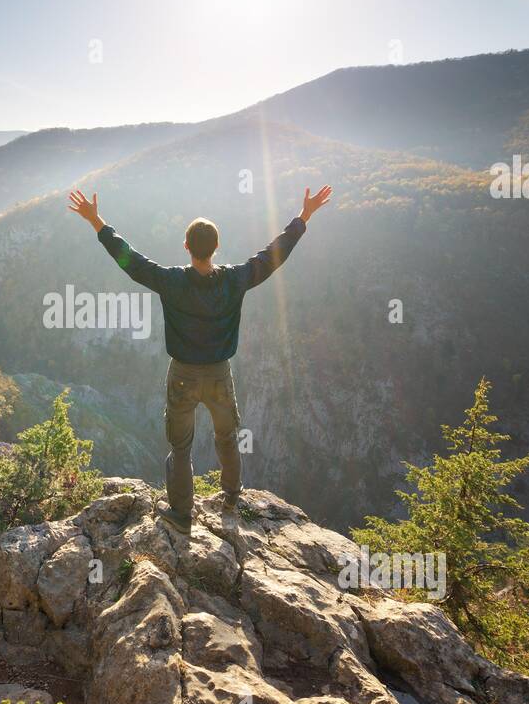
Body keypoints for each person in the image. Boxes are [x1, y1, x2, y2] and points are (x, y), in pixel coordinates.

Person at [68, 184, 332, 532]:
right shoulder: (236, 280)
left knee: (180, 446)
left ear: (186, 247)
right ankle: (231, 498)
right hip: (220, 375)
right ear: (217, 248)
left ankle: (181, 513)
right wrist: (304, 216)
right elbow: (273, 256)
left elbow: (130, 261)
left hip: (183, 375)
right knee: (227, 437)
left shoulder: (171, 281)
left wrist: (97, 222)